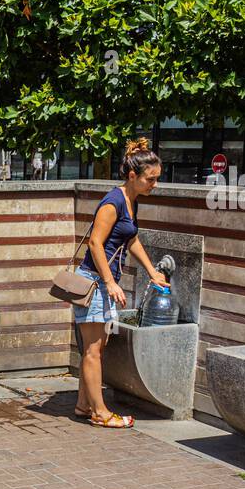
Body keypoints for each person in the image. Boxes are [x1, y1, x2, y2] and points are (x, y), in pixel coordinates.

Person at [73, 138, 171, 429]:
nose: (155, 184)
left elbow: (131, 239)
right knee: (93, 350)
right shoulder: (113, 202)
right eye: (150, 179)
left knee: (97, 347)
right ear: (132, 176)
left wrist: (152, 271)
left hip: (104, 282)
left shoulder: (131, 201)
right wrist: (109, 283)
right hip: (93, 282)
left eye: (157, 179)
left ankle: (83, 404)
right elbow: (95, 244)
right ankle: (100, 413)